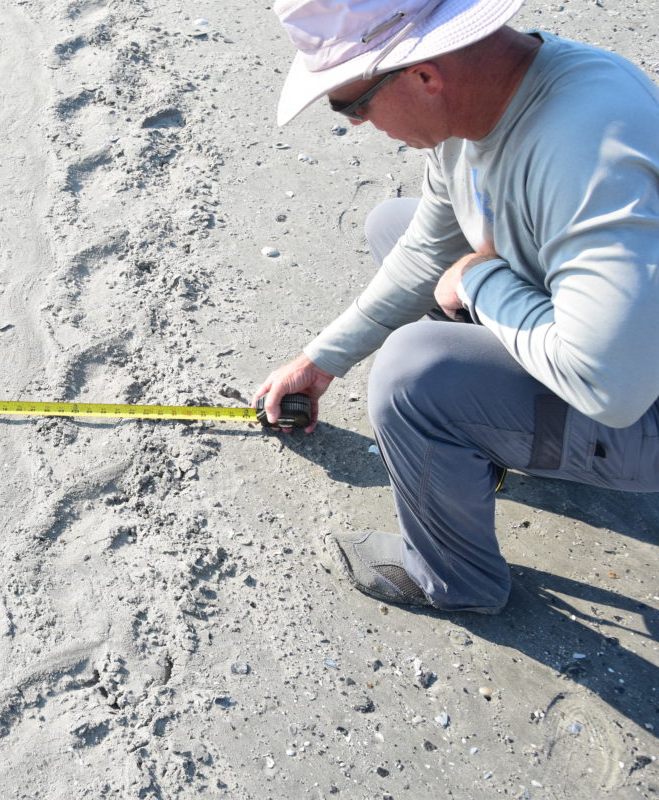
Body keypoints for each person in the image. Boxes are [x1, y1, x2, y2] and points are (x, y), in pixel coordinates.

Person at [254, 0, 659, 614]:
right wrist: (321, 359)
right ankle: (485, 438)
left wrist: (483, 283)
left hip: (639, 405)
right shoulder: (484, 103)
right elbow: (424, 250)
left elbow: (613, 388)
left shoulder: (589, 148)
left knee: (413, 372)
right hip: (598, 336)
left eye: (351, 103)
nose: (356, 124)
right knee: (393, 225)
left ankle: (453, 581)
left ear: (423, 74)